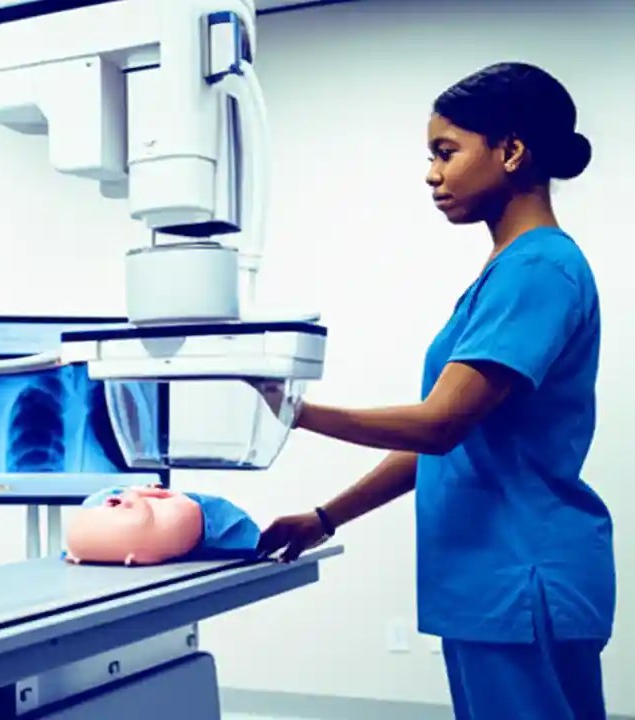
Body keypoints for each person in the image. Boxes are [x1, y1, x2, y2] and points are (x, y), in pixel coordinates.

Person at [255, 62, 615, 720]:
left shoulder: (537, 268)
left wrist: (296, 412)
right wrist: (324, 517)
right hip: (494, 579)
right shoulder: (513, 270)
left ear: (510, 152)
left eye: (446, 152)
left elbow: (439, 424)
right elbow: (452, 445)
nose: (432, 174)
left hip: (518, 576)